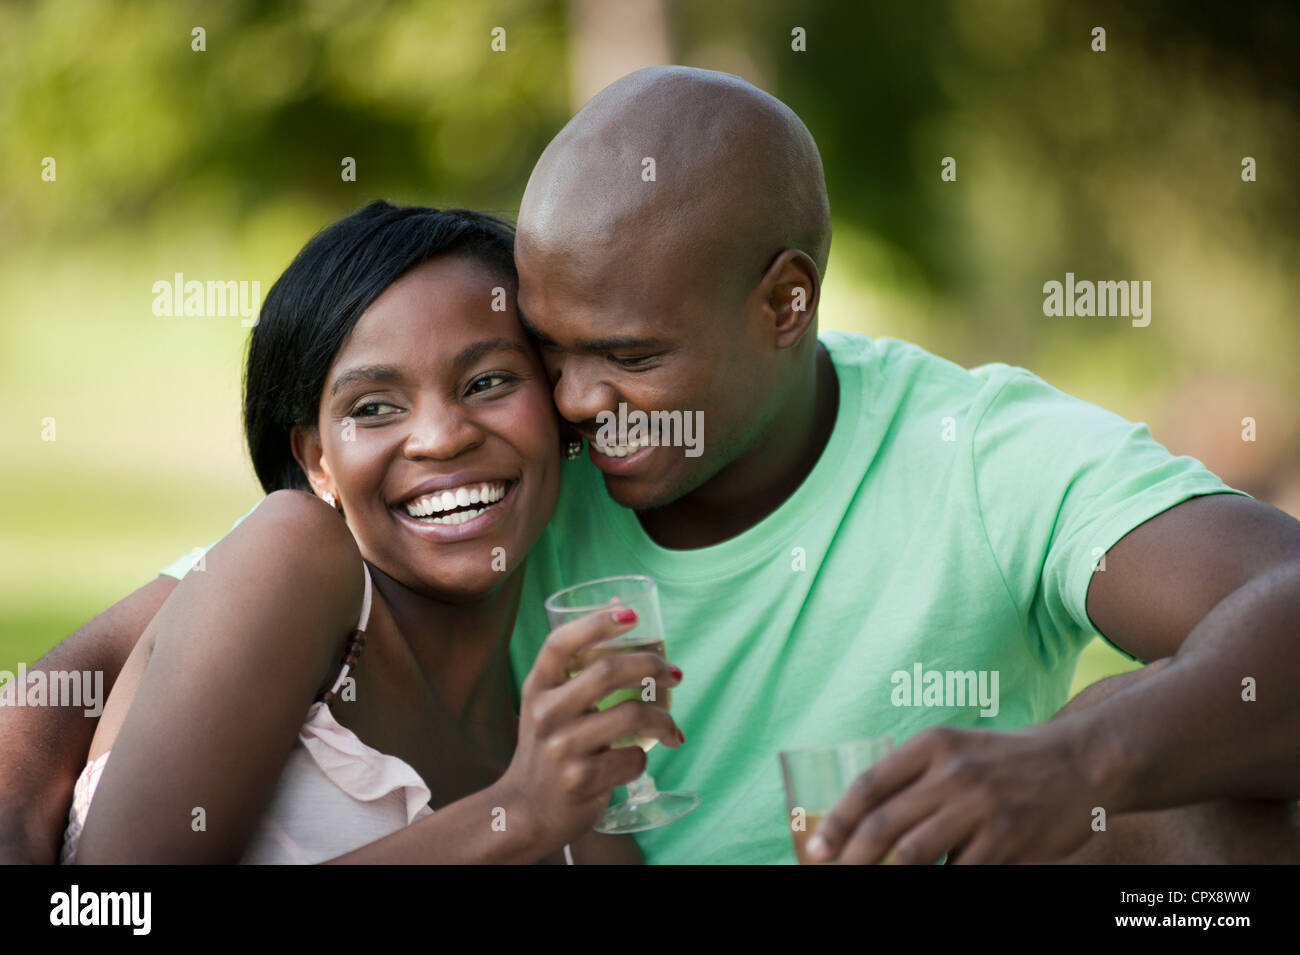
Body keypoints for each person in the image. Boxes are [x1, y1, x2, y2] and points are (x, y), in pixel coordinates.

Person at [5, 67, 1300, 865]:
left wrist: (1075, 764)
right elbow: (141, 651)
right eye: (549, 353)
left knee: (1219, 829)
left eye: (626, 355)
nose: (574, 405)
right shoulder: (498, 492)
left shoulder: (977, 454)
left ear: (784, 304)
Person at [51, 202, 683, 864]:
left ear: (558, 412)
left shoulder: (562, 786)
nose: (441, 437)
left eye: (488, 381)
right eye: (374, 407)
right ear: (316, 459)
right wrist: (512, 817)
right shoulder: (294, 555)